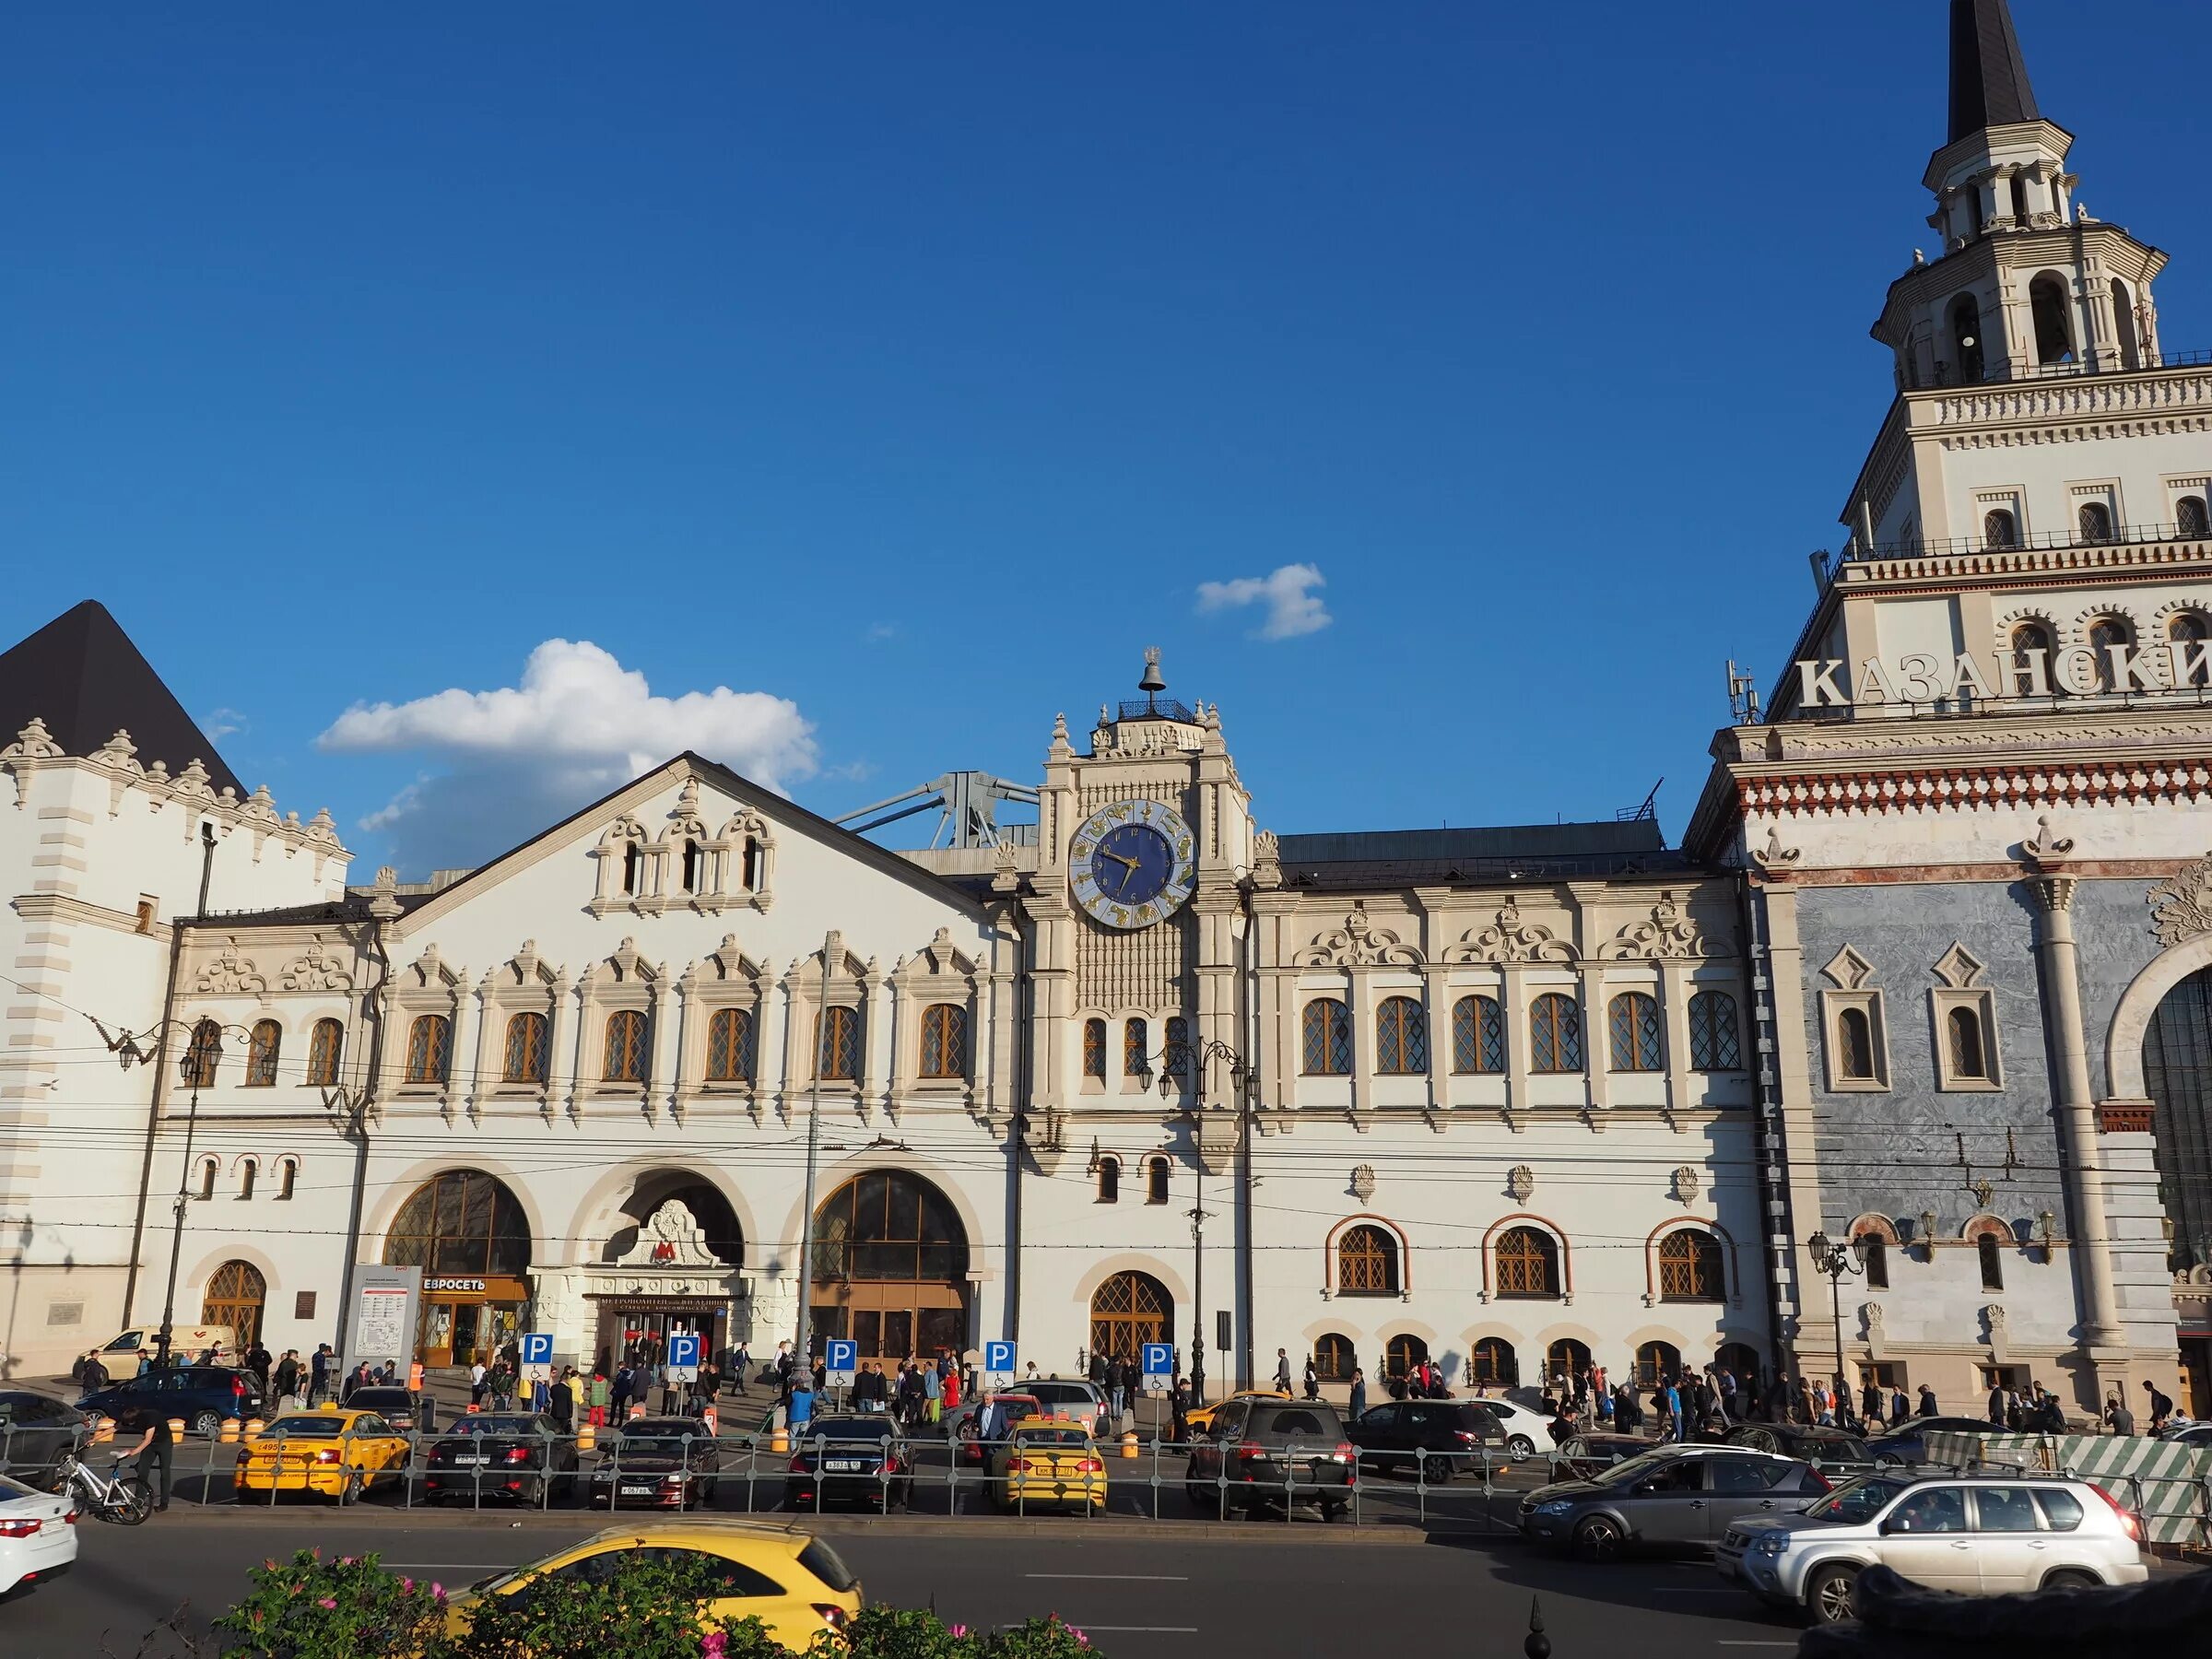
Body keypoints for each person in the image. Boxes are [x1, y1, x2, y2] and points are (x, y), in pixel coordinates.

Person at [123, 1413, 174, 1512]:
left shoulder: (150, 1418)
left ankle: (164, 1503)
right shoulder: (131, 1419)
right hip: (151, 1445)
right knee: (142, 1470)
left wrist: (133, 1452)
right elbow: (114, 1428)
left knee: (165, 1471)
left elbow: (147, 1440)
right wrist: (94, 1439)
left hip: (164, 1443)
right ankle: (139, 1500)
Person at [548, 1368, 576, 1435]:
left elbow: (551, 1396)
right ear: (567, 1380)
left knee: (554, 1428)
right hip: (565, 1413)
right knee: (563, 1430)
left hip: (555, 1411)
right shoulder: (568, 1390)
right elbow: (569, 1403)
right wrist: (570, 1413)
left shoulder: (554, 1387)